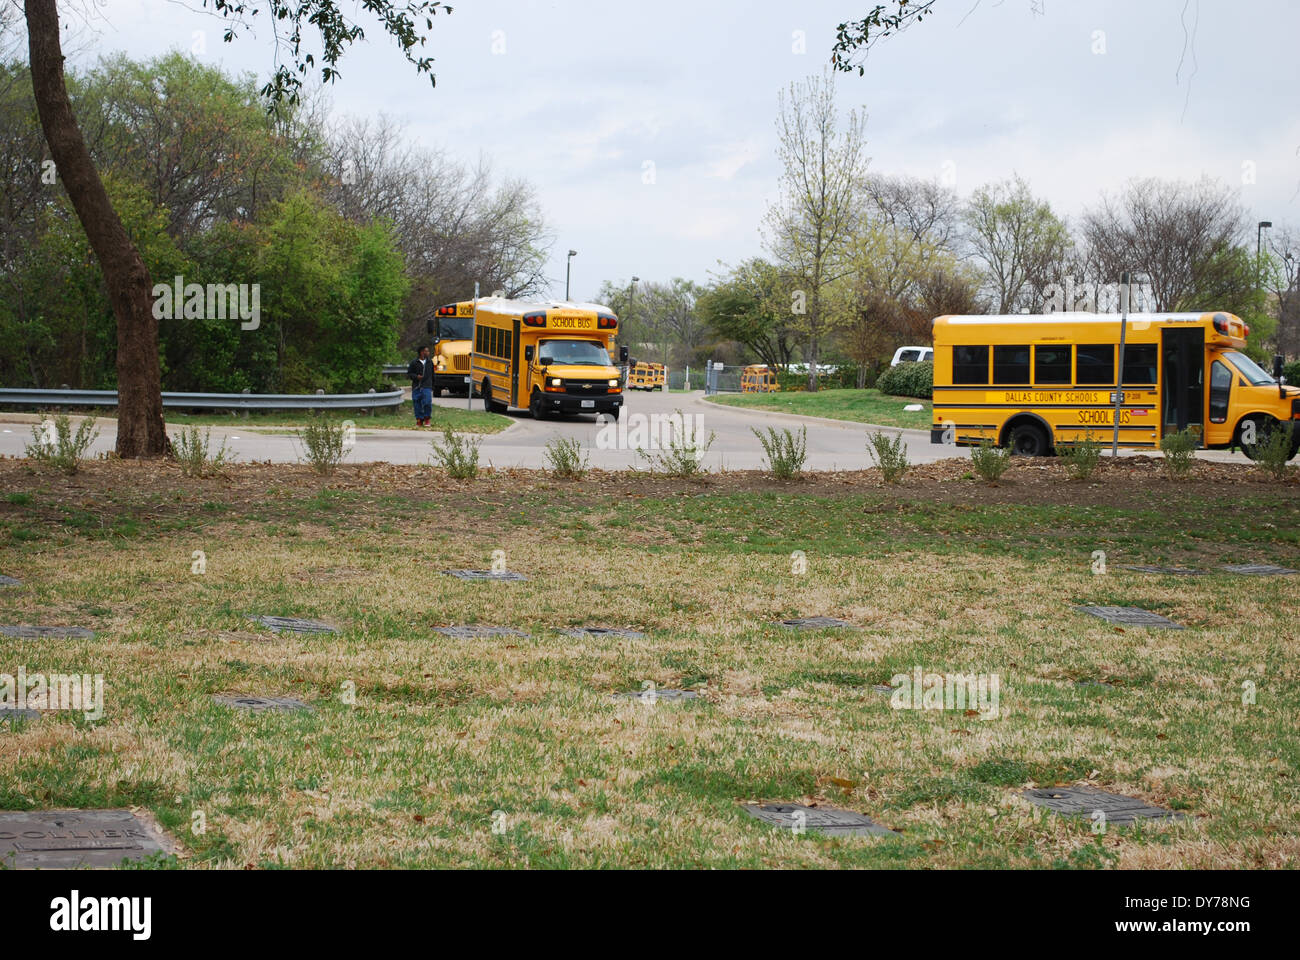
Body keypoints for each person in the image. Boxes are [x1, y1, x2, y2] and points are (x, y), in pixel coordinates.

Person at [407, 346, 434, 426]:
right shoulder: (414, 362)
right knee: (417, 403)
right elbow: (409, 374)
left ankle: (427, 419)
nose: (428, 353)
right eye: (426, 351)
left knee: (427, 402)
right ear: (422, 352)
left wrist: (433, 385)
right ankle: (419, 419)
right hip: (416, 386)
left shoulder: (430, 362)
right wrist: (416, 377)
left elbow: (433, 374)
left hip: (427, 386)